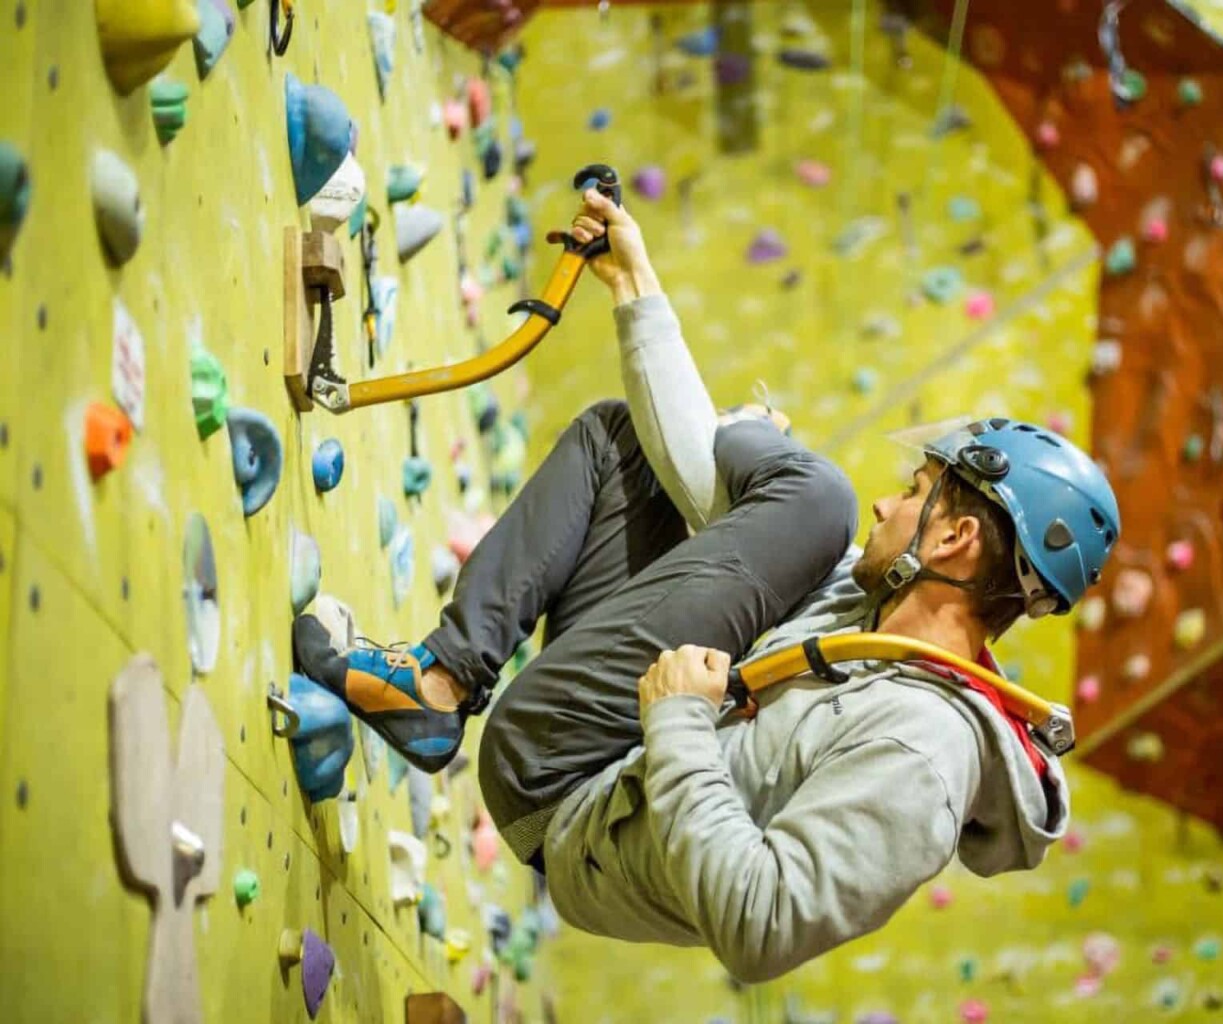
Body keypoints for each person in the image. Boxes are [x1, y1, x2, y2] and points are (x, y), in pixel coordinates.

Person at [292, 190, 1121, 982]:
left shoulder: (923, 757)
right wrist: (633, 283)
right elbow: (696, 477)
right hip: (621, 751)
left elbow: (763, 925)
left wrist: (682, 722)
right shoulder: (874, 622)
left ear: (953, 537)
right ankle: (438, 682)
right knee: (618, 447)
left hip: (577, 802)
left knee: (821, 500)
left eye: (913, 491)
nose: (888, 500)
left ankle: (438, 683)